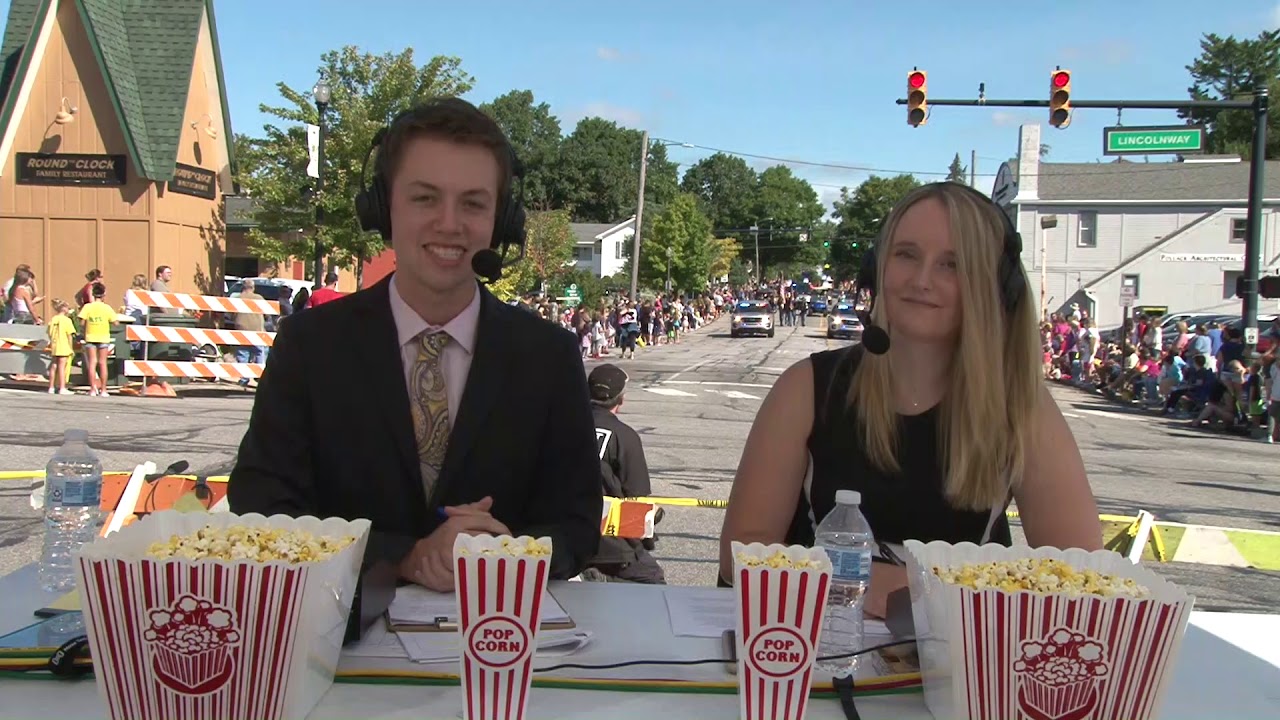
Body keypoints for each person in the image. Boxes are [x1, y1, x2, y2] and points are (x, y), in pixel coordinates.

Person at [228, 98, 602, 592]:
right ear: (383, 209)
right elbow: (260, 505)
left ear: (502, 221)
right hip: (340, 625)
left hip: (498, 627)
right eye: (425, 198)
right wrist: (405, 556)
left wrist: (497, 552)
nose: (449, 223)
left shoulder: (549, 355)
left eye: (473, 203)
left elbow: (577, 525)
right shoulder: (310, 345)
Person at [718, 182, 1102, 618]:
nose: (922, 280)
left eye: (951, 264)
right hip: (816, 641)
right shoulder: (805, 388)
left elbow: (1084, 575)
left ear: (996, 288)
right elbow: (738, 553)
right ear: (876, 269)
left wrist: (908, 592)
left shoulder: (1023, 408)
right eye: (906, 255)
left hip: (959, 649)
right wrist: (894, 588)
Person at [584, 364, 665, 584]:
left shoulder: (561, 427)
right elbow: (636, 502)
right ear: (621, 399)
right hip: (609, 544)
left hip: (562, 534)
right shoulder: (625, 437)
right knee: (654, 583)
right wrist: (656, 513)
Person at [77, 283, 117, 397]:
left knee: (92, 363)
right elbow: (115, 322)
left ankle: (92, 389)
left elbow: (81, 323)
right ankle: (103, 389)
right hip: (103, 337)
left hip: (90, 337)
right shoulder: (107, 308)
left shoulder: (87, 307)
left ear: (93, 294)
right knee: (103, 363)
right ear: (104, 294)